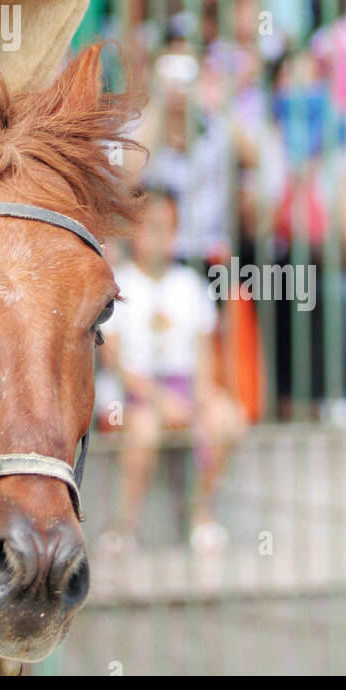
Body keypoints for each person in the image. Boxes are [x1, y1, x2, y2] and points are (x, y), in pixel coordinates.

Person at [98, 191, 244, 554]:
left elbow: (204, 356)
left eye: (166, 228)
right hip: (131, 395)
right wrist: (161, 400)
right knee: (144, 430)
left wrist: (200, 398)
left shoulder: (190, 285)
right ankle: (124, 526)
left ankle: (202, 516)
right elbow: (113, 359)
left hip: (183, 389)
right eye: (149, 227)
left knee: (227, 417)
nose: (158, 236)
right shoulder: (119, 284)